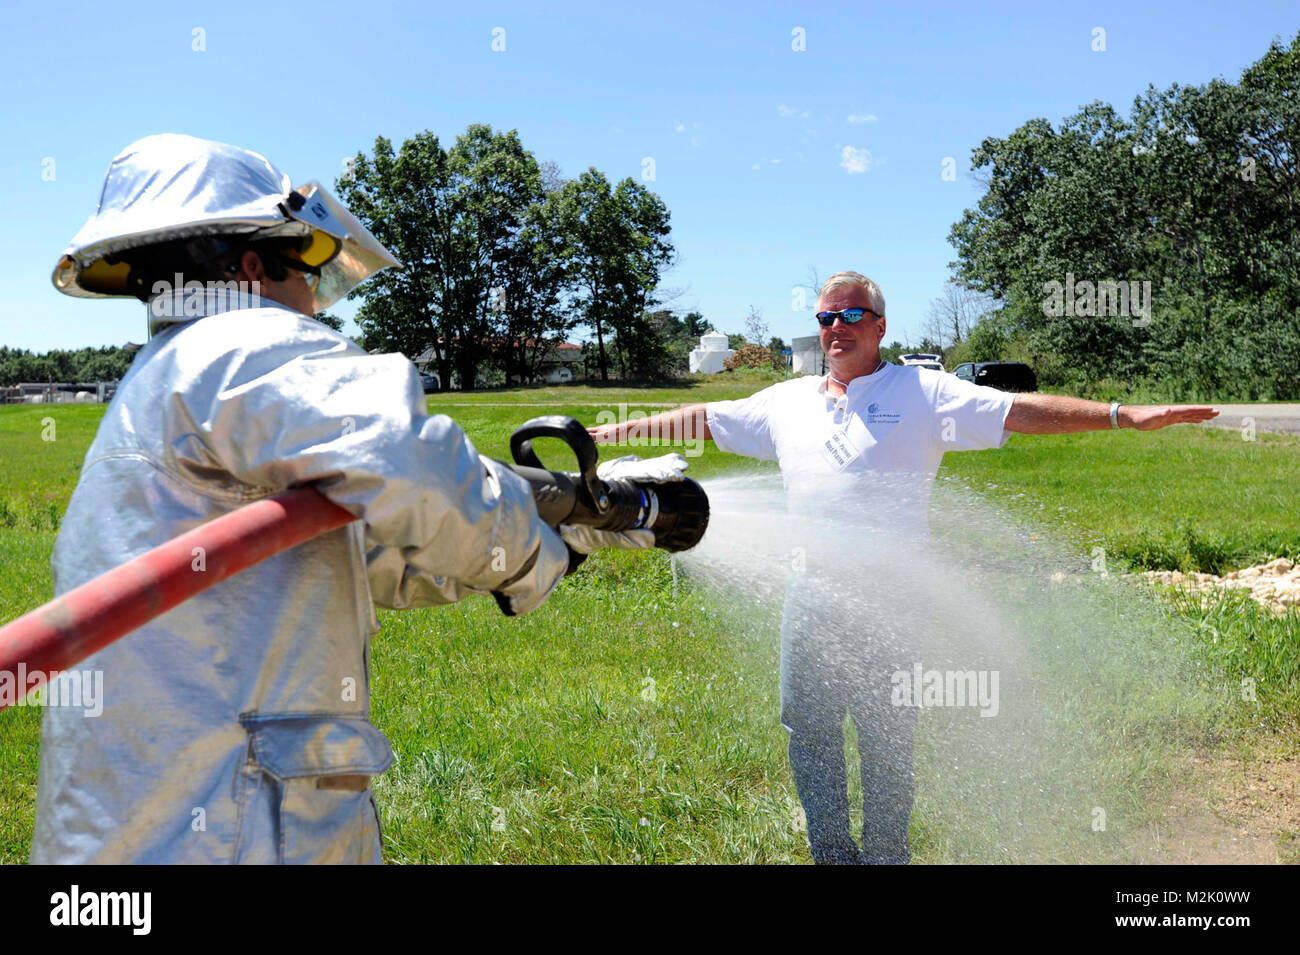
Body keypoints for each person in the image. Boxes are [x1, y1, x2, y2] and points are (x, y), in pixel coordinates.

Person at [31, 133, 671, 864]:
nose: (314, 302)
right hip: (231, 832)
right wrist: (527, 546)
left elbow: (356, 560)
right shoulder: (232, 342)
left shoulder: (161, 393)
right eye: (307, 270)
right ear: (251, 267)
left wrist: (565, 535)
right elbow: (405, 458)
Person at [588, 270, 1218, 864]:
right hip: (809, 598)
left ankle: (888, 857)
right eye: (826, 317)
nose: (837, 327)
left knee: (886, 739)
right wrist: (614, 434)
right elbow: (702, 418)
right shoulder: (785, 403)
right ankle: (832, 857)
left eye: (852, 314)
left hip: (892, 599)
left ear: (880, 325)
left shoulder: (922, 392)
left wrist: (1119, 415)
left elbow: (1017, 410)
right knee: (809, 734)